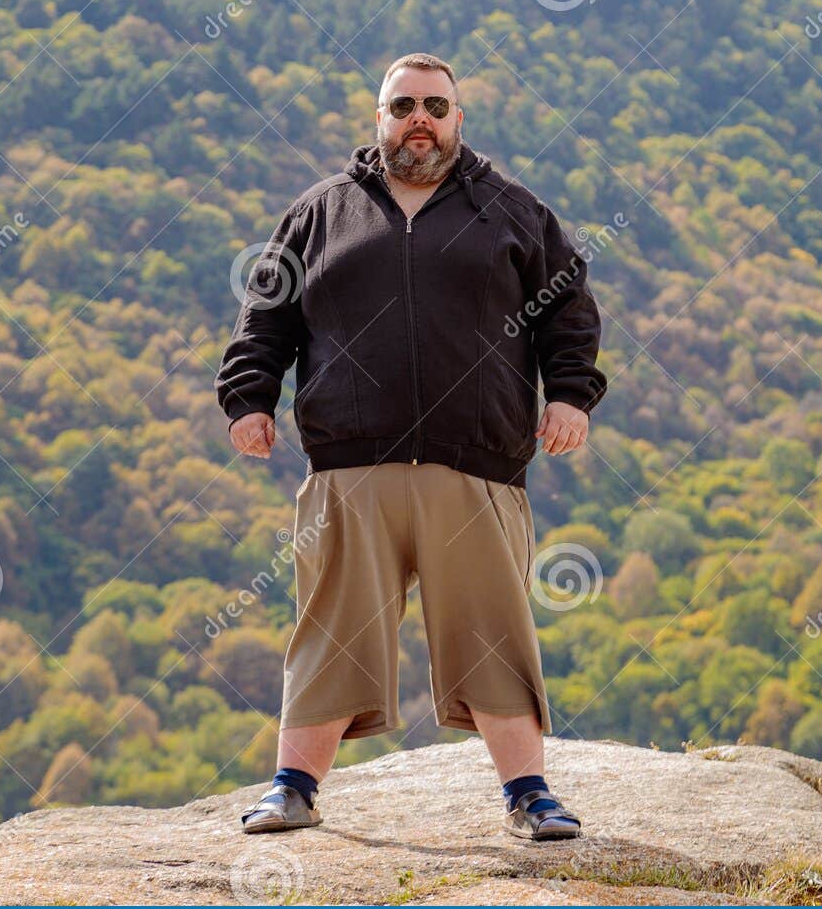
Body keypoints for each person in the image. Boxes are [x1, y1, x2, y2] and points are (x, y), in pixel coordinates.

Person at [215, 52, 608, 840]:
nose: (417, 119)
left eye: (434, 105)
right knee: (330, 627)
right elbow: (266, 318)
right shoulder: (319, 213)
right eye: (402, 107)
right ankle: (292, 788)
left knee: (494, 629)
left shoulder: (512, 210)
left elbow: (567, 314)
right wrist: (247, 398)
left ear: (459, 118)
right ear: (379, 119)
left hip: (477, 464)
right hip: (350, 467)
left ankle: (529, 794)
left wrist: (570, 394)